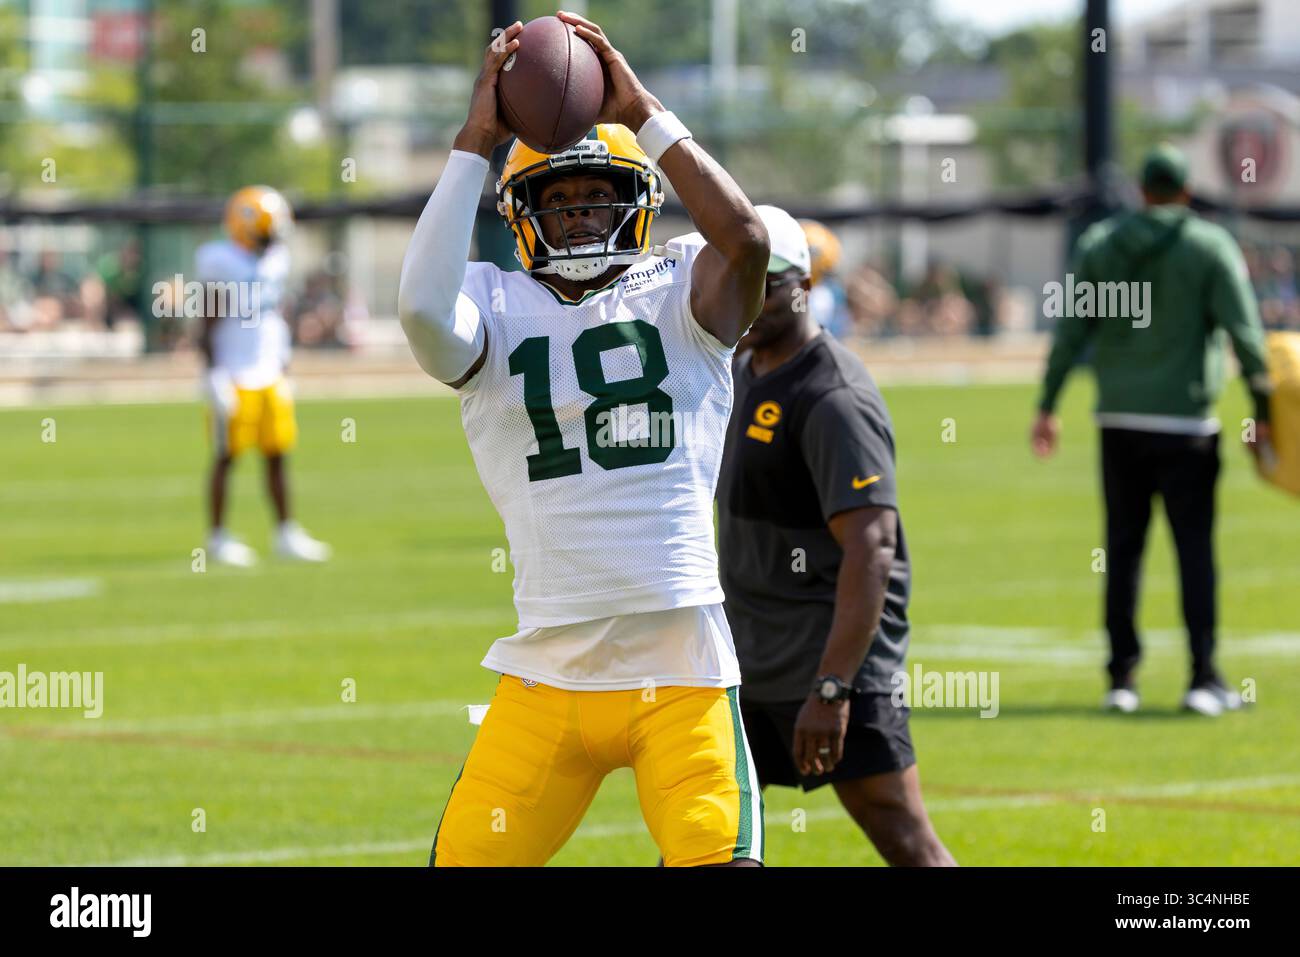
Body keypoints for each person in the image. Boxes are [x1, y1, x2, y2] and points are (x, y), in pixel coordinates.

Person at [398, 13, 769, 867]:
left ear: (635, 201)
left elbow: (745, 238)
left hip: (678, 663)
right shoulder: (490, 304)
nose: (576, 215)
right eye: (556, 200)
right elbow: (419, 309)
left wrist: (641, 110)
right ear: (520, 212)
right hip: (547, 669)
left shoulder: (683, 288)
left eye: (596, 194)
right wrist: (472, 143)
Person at [716, 205, 954, 866]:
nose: (753, 295)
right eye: (743, 276)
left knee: (905, 837)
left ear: (808, 285)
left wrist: (832, 689)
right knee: (708, 831)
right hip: (748, 663)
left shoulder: (833, 395)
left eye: (771, 281)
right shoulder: (739, 370)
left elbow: (873, 548)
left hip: (826, 662)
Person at [1031, 143, 1272, 717]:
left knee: (1123, 551)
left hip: (1118, 419)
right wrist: (1263, 409)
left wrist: (1048, 403)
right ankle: (1203, 677)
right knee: (1194, 551)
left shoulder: (1099, 245)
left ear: (1142, 191)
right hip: (1187, 421)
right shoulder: (1208, 245)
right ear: (1186, 192)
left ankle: (1121, 678)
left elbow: (1069, 331)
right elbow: (1245, 333)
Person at [196, 185, 331, 567]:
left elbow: (276, 316)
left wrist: (285, 366)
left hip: (269, 372)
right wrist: (213, 374)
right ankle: (218, 537)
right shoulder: (220, 261)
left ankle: (286, 532)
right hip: (233, 374)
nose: (271, 241)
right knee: (226, 458)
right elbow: (206, 323)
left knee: (278, 454)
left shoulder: (276, 259)